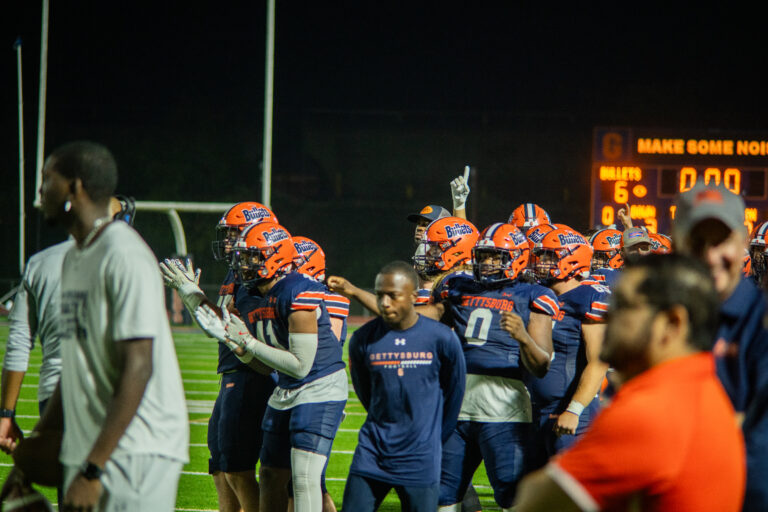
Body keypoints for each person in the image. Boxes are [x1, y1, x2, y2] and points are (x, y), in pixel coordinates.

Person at [514, 254, 746, 511]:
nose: (610, 317)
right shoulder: (706, 387)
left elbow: (539, 502)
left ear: (672, 323)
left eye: (625, 307)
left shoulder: (648, 410)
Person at [30, 140, 189, 511]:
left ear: (75, 187)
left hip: (136, 452)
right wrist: (32, 454)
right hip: (91, 449)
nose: (40, 191)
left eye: (47, 179)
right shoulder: (74, 257)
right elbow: (74, 366)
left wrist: (92, 470)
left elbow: (139, 364)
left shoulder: (123, 253)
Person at [195, 222, 347, 512]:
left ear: (274, 257)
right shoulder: (253, 293)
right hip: (286, 388)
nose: (243, 264)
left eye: (251, 256)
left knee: (303, 478)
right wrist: (235, 342)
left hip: (318, 387)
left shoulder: (298, 291)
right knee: (269, 474)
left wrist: (249, 343)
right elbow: (262, 366)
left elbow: (301, 366)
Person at [414, 221, 557, 511]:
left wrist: (522, 337)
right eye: (483, 256)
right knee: (442, 494)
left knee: (512, 495)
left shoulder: (533, 295)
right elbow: (418, 319)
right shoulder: (457, 287)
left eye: (496, 257)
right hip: (458, 403)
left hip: (504, 405)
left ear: (515, 258)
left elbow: (542, 364)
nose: (487, 263)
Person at [162, 200, 279, 512]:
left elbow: (235, 330)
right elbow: (214, 326)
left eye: (233, 234)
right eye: (226, 235)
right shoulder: (236, 273)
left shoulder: (259, 277)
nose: (228, 242)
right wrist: (192, 299)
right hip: (232, 372)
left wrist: (193, 295)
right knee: (219, 463)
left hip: (249, 373)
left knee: (236, 466)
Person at [671, 182, 768, 511]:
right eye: (697, 243)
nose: (710, 257)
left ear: (742, 242)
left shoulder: (761, 322)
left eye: (721, 241)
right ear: (677, 245)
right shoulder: (655, 320)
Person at [342, 261, 466, 511]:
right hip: (372, 454)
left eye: (393, 295)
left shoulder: (441, 338)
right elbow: (366, 392)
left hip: (420, 459)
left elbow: (454, 393)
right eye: (380, 295)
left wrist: (432, 440)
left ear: (412, 296)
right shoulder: (363, 339)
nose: (384, 303)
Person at [525, 228, 610, 469]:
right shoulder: (540, 295)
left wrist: (574, 410)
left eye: (550, 257)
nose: (541, 263)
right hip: (535, 411)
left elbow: (599, 360)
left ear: (571, 259)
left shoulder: (588, 296)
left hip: (570, 413)